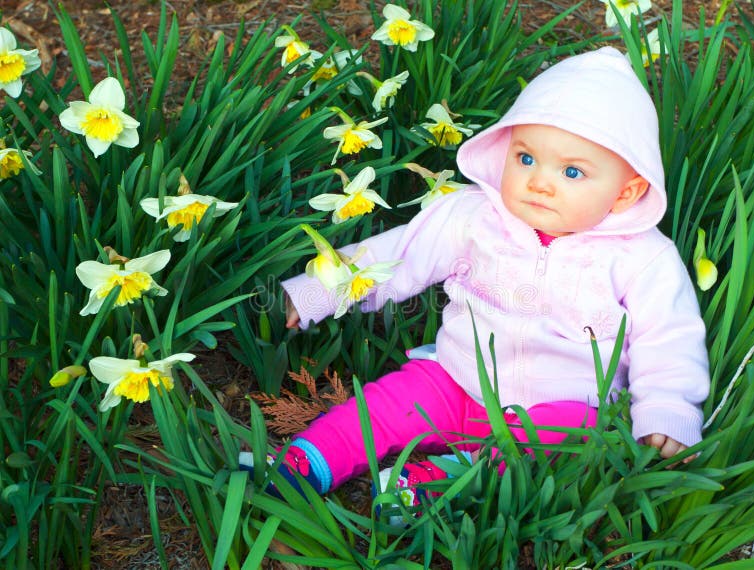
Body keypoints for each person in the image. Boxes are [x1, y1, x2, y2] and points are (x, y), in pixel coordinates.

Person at [239, 47, 710, 505]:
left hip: (563, 405)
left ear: (626, 193)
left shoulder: (643, 257)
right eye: (526, 158)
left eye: (571, 171)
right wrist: (319, 290)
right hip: (455, 379)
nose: (539, 182)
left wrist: (668, 412)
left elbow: (669, 339)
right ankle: (304, 462)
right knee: (386, 406)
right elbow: (401, 253)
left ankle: (444, 483)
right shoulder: (474, 215)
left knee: (576, 440)